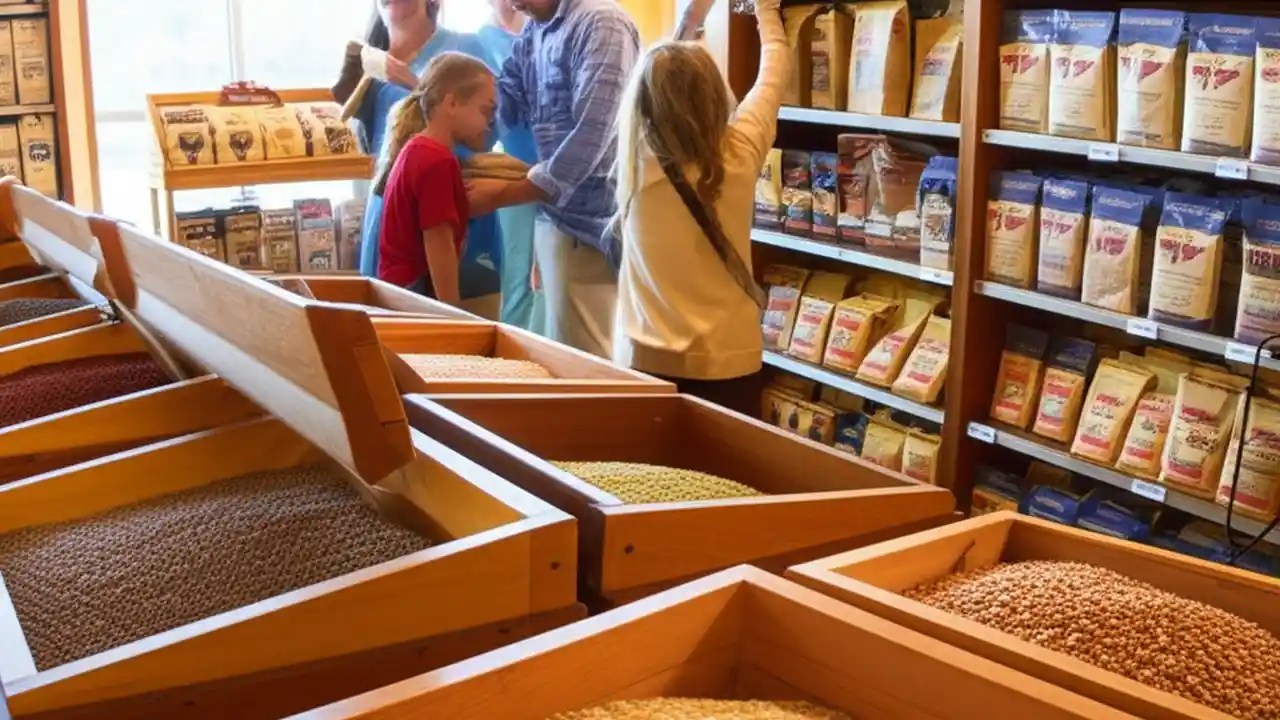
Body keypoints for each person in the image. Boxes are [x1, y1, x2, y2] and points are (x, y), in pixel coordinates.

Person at [609, 0, 787, 409]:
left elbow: (660, 83)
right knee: (726, 473)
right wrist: (767, 12)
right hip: (732, 362)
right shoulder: (740, 154)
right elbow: (774, 71)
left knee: (654, 475)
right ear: (714, 95)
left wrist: (686, 27)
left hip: (646, 361)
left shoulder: (635, 162)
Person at [467, 0, 640, 359]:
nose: (514, 5)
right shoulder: (536, 28)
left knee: (588, 372)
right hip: (557, 222)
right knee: (561, 362)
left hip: (593, 232)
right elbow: (506, 105)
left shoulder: (602, 25)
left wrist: (504, 193)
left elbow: (592, 135)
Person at [332, 0, 501, 305]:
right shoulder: (372, 60)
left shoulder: (464, 48)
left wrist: (413, 82)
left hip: (447, 213)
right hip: (389, 218)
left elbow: (488, 129)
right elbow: (372, 147)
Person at [371, 52, 496, 303]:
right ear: (451, 104)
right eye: (485, 110)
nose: (489, 123)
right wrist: (452, 314)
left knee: (484, 276)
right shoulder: (437, 161)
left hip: (397, 286)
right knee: (487, 280)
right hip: (413, 293)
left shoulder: (417, 147)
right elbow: (439, 246)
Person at [476, 0, 542, 331]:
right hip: (515, 172)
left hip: (562, 171)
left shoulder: (545, 29)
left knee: (551, 279)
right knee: (518, 275)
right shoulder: (482, 41)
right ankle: (517, 356)